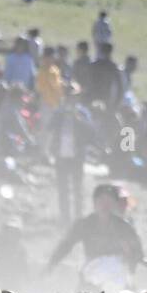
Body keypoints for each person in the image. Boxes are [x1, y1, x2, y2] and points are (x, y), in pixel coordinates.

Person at [46, 183, 144, 288]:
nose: (105, 205)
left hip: (117, 273)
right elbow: (66, 245)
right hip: (92, 271)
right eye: (101, 201)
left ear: (114, 204)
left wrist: (130, 257)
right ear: (95, 203)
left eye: (109, 202)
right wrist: (51, 265)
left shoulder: (123, 227)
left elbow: (137, 252)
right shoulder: (85, 224)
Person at [45, 82, 94, 224]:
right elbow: (49, 128)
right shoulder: (59, 113)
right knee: (63, 188)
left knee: (77, 187)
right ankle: (65, 217)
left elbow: (91, 131)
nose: (71, 100)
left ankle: (78, 217)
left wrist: (77, 119)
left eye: (74, 97)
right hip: (61, 154)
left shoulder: (83, 113)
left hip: (77, 155)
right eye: (69, 97)